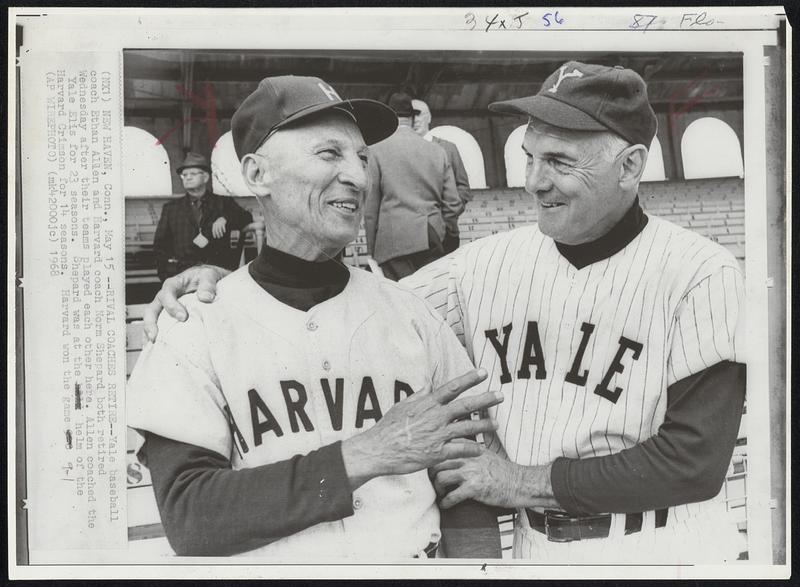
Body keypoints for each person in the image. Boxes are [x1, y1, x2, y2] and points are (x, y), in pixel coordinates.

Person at [144, 62, 747, 564]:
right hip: (538, 553)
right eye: (528, 156)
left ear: (632, 167)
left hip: (668, 548)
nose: (534, 181)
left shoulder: (702, 272)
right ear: (255, 175)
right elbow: (326, 297)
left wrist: (519, 482)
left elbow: (694, 461)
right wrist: (220, 283)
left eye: (560, 162)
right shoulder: (474, 272)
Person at [127, 75, 503, 559]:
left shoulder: (412, 315)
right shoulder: (194, 324)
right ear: (257, 174)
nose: (359, 176)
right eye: (330, 154)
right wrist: (363, 455)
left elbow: (466, 489)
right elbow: (190, 516)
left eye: (362, 158)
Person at [364, 91, 463, 281]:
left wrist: (372, 250)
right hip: (431, 235)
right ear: (412, 117)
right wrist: (443, 232)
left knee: (402, 301)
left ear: (390, 117)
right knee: (431, 299)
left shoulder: (375, 151)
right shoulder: (438, 151)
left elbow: (371, 210)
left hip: (393, 240)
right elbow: (453, 203)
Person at [152, 152, 253, 281]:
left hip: (218, 274)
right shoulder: (171, 209)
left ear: (205, 177)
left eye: (193, 174)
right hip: (182, 275)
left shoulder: (223, 203)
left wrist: (225, 219)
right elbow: (160, 245)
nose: (187, 178)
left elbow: (246, 217)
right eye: (184, 175)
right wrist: (166, 276)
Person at [412, 98, 472, 253]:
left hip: (446, 232)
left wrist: (448, 218)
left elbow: (463, 187)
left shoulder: (449, 148)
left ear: (429, 117)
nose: (415, 120)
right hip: (412, 233)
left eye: (419, 114)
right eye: (411, 115)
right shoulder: (399, 151)